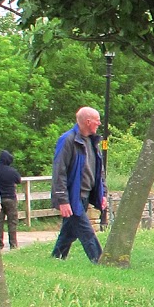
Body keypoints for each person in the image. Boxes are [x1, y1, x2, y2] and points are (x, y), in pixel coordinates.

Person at [50, 106, 107, 263]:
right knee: (85, 230)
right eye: (97, 121)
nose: (99, 123)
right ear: (88, 122)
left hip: (86, 194)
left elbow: (99, 171)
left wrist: (103, 193)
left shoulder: (93, 142)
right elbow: (59, 171)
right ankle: (99, 260)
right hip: (73, 195)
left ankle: (57, 257)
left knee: (69, 231)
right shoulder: (68, 140)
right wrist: (63, 200)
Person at [0, 150, 22, 250]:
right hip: (11, 198)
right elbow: (18, 180)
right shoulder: (12, 171)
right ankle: (13, 244)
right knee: (12, 222)